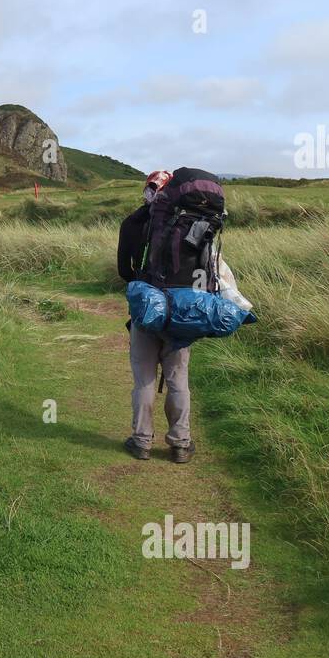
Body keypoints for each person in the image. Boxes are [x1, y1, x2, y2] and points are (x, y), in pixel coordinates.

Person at [116, 170, 194, 463]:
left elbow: (124, 271)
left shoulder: (132, 223)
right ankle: (180, 444)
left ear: (147, 191)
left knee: (144, 378)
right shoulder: (190, 222)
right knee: (178, 378)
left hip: (145, 311)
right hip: (182, 311)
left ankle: (141, 442)